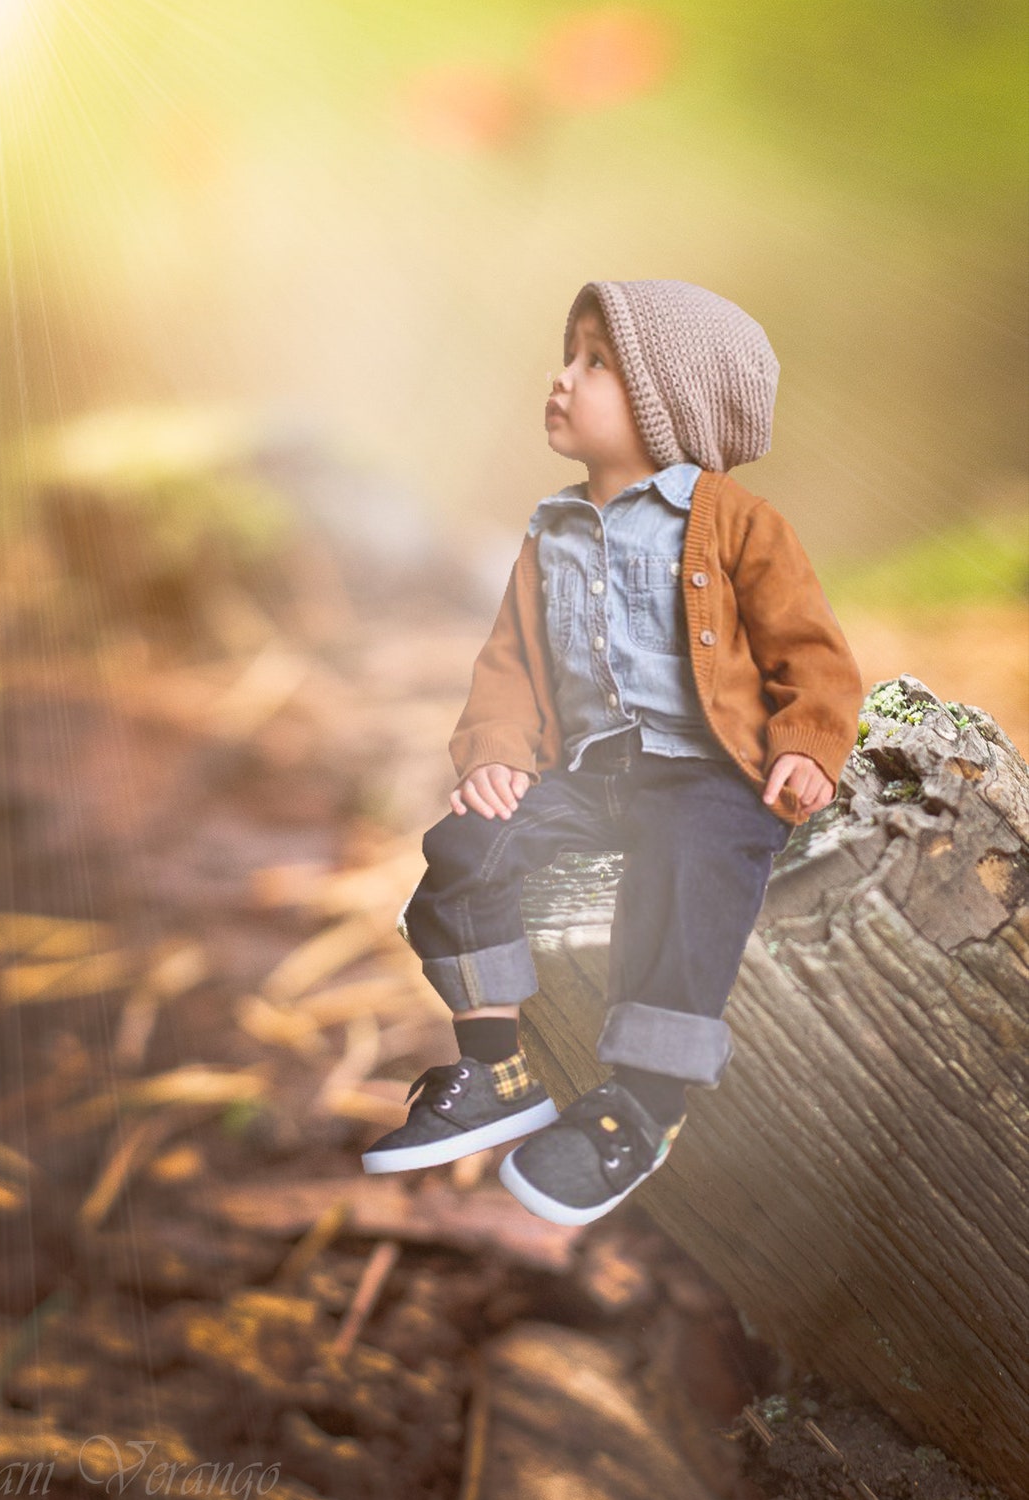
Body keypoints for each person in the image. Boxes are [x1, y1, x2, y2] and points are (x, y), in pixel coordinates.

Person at [362, 278, 864, 1226]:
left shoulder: (737, 523)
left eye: (598, 363)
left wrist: (806, 743)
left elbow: (814, 653)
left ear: (671, 403)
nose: (563, 378)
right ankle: (495, 1066)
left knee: (685, 880)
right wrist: (497, 753)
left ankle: (643, 1104)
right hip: (589, 771)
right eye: (571, 355)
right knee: (466, 851)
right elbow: (509, 661)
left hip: (703, 767)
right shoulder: (549, 532)